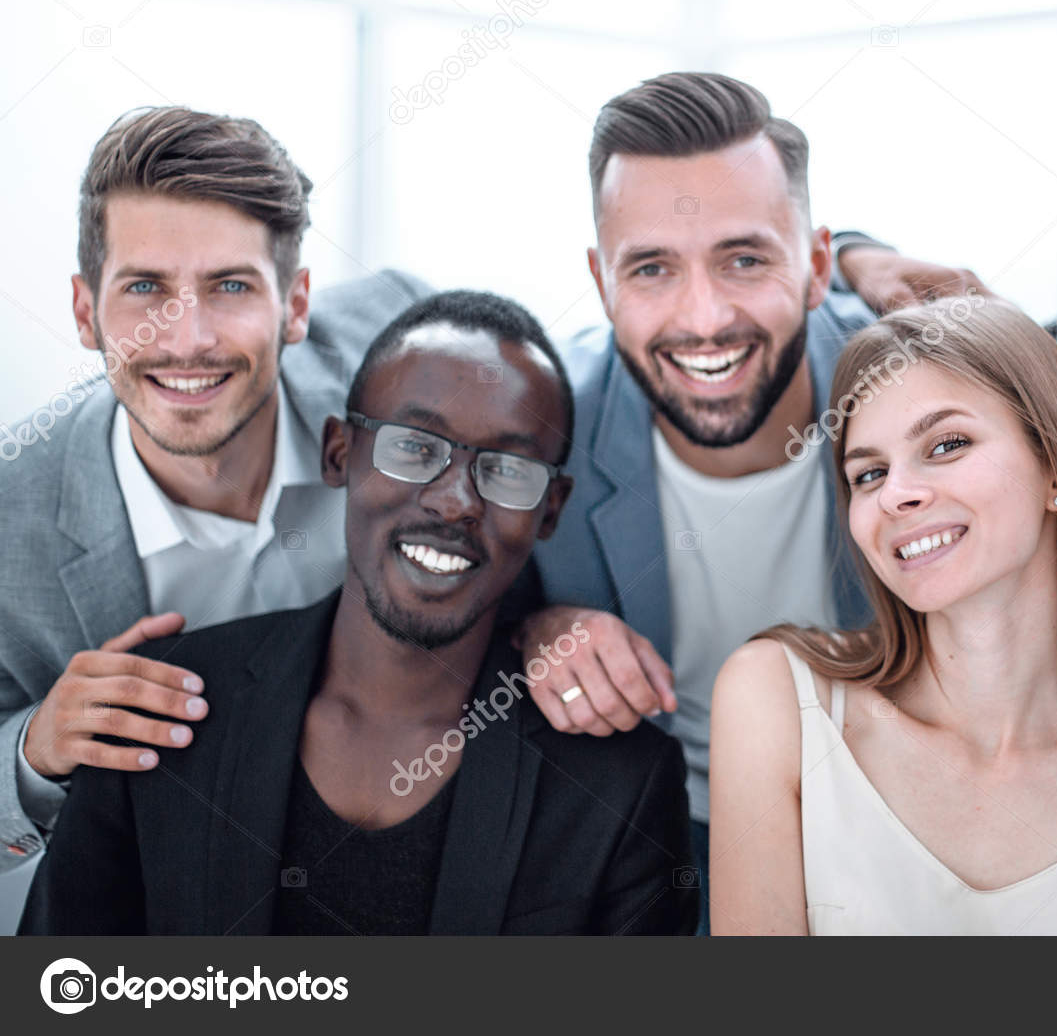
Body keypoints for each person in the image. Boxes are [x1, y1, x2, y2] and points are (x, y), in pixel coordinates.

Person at [19, 291, 698, 935]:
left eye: (508, 471)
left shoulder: (623, 785)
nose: (456, 500)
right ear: (340, 452)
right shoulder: (157, 712)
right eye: (414, 448)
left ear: (549, 509)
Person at [516, 71, 989, 931]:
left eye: (744, 259)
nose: (704, 318)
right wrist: (534, 631)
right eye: (651, 268)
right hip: (662, 847)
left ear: (814, 264)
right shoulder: (544, 422)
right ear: (601, 281)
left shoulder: (925, 388)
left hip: (917, 821)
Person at [708, 297, 1057, 935]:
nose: (897, 493)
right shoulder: (774, 700)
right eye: (868, 474)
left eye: (947, 444)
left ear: (1056, 472)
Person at [0, 106, 429, 870]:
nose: (187, 338)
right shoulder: (10, 515)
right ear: (84, 310)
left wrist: (552, 616)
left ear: (294, 304)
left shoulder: (404, 345)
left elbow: (549, 441)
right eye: (144, 288)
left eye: (230, 285)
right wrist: (35, 749)